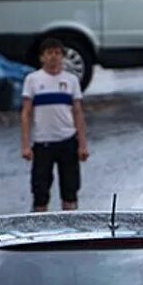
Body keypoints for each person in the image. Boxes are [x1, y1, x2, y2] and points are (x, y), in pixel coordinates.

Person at [20, 37, 89, 211]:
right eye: (49, 53)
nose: (53, 57)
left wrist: (82, 145)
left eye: (57, 53)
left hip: (67, 140)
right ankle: (40, 230)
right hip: (43, 143)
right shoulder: (33, 80)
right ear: (42, 57)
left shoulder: (71, 80)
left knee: (70, 190)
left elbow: (78, 112)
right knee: (40, 191)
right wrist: (26, 145)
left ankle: (71, 230)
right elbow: (26, 113)